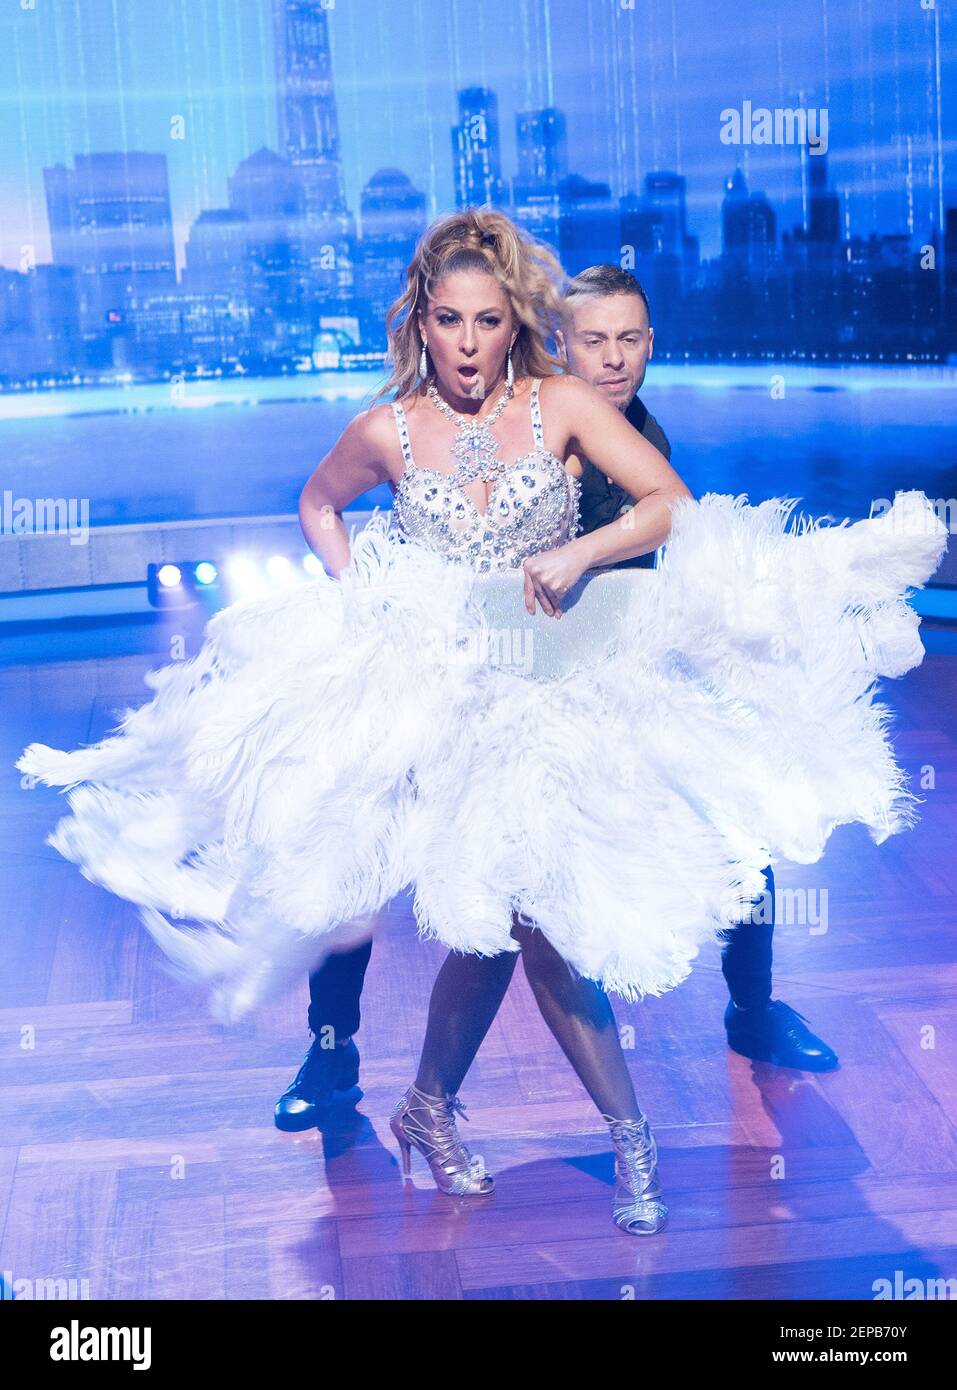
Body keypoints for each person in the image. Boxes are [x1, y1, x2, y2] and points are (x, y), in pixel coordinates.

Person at [17, 210, 945, 1237]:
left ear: (515, 325)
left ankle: (434, 1106)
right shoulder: (389, 429)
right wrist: (363, 594)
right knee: (508, 923)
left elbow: (671, 502)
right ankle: (601, 1135)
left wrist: (578, 555)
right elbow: (318, 504)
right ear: (421, 319)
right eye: (449, 320)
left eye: (488, 321)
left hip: (550, 694)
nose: (466, 342)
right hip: (444, 709)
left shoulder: (562, 407)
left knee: (517, 924)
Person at [556, 263, 838, 1072]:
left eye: (629, 339)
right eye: (593, 340)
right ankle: (337, 1054)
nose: (613, 358)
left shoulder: (646, 432)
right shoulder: (533, 426)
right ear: (560, 344)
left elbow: (666, 540)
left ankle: (750, 1009)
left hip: (630, 665)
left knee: (736, 826)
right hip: (534, 670)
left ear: (650, 342)